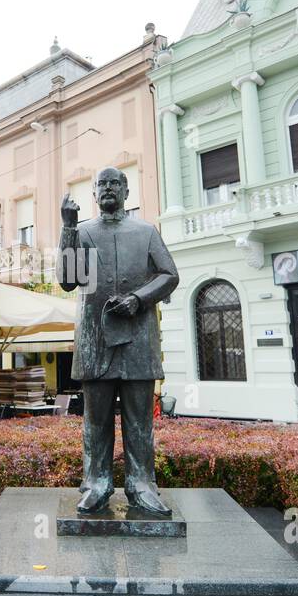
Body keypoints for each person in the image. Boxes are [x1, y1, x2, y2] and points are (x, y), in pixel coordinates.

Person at [58, 166, 179, 514]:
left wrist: (138, 299)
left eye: (115, 183)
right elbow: (68, 280)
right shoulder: (80, 232)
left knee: (140, 419)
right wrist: (67, 227)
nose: (108, 188)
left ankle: (142, 484)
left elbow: (169, 275)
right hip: (95, 341)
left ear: (127, 191)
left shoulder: (145, 232)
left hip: (138, 337)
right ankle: (96, 483)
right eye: (101, 184)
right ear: (94, 195)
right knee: (95, 421)